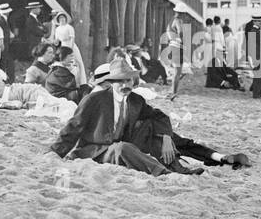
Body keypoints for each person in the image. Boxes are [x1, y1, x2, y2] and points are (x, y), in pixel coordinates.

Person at [50, 58, 197, 176]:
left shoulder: (136, 100)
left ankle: (178, 170)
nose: (125, 85)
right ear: (111, 83)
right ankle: (163, 173)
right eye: (120, 81)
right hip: (96, 151)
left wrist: (166, 137)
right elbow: (74, 126)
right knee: (122, 148)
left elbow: (159, 116)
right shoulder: (94, 99)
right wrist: (55, 153)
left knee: (151, 130)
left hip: (123, 146)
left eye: (128, 80)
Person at [51, 11, 87, 86]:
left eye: (63, 18)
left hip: (71, 45)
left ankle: (81, 81)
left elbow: (72, 38)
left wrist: (70, 49)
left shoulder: (69, 27)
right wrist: (54, 42)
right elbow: (57, 40)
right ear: (58, 20)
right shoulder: (57, 29)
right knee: (64, 62)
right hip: (63, 46)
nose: (62, 19)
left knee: (76, 62)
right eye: (60, 18)